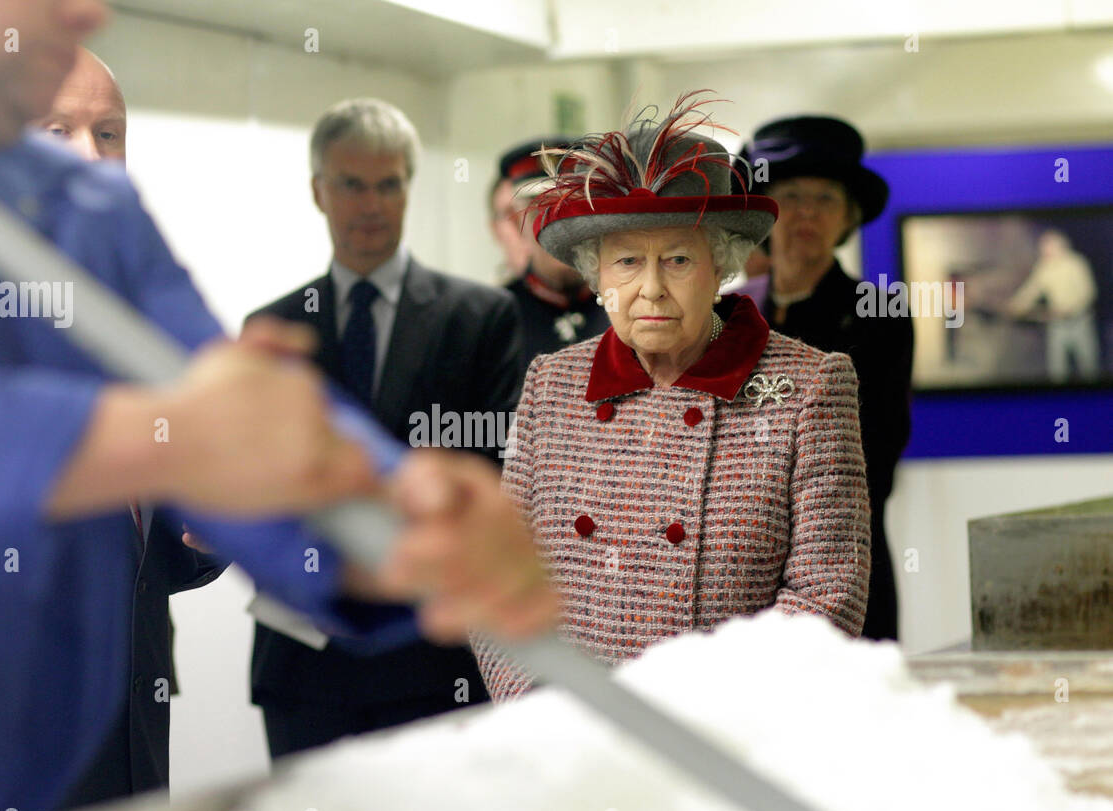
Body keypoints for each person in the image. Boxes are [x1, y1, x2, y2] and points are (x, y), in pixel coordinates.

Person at [0, 0, 556, 811]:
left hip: (112, 762)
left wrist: (397, 522)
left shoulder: (90, 215)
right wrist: (158, 434)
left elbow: (230, 403)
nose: (89, 10)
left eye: (109, 132)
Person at [472, 95, 871, 701]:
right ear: (597, 276)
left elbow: (827, 593)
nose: (651, 289)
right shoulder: (552, 385)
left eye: (678, 260)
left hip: (733, 735)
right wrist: (544, 710)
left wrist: (708, 714)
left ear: (721, 267)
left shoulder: (809, 386)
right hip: (571, 734)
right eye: (627, 262)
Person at [245, 98, 526, 758]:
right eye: (350, 184)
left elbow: (485, 466)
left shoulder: (479, 317)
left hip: (430, 660)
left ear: (408, 187)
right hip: (304, 663)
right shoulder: (274, 331)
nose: (370, 204)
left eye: (388, 184)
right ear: (319, 191)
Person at [31, 47, 226, 808]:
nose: (90, 158)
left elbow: (153, 539)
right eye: (56, 130)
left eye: (108, 133)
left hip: (131, 733)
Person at [735, 115, 912, 641]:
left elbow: (880, 442)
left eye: (825, 198)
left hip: (842, 549)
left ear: (849, 217)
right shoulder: (731, 312)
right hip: (737, 561)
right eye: (790, 196)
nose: (806, 213)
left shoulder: (878, 311)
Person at [497, 138, 610, 366]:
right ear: (519, 222)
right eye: (544, 214)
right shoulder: (496, 319)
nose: (561, 231)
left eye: (572, 212)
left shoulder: (627, 305)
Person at [1006, 229, 1100, 382]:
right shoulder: (1044, 267)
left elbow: (1088, 292)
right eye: (1043, 248)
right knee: (1057, 369)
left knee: (1088, 366)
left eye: (1047, 247)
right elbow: (1032, 288)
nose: (1044, 251)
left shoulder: (1076, 263)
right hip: (1057, 324)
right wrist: (1017, 304)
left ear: (1060, 246)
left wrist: (1071, 308)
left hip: (1080, 322)